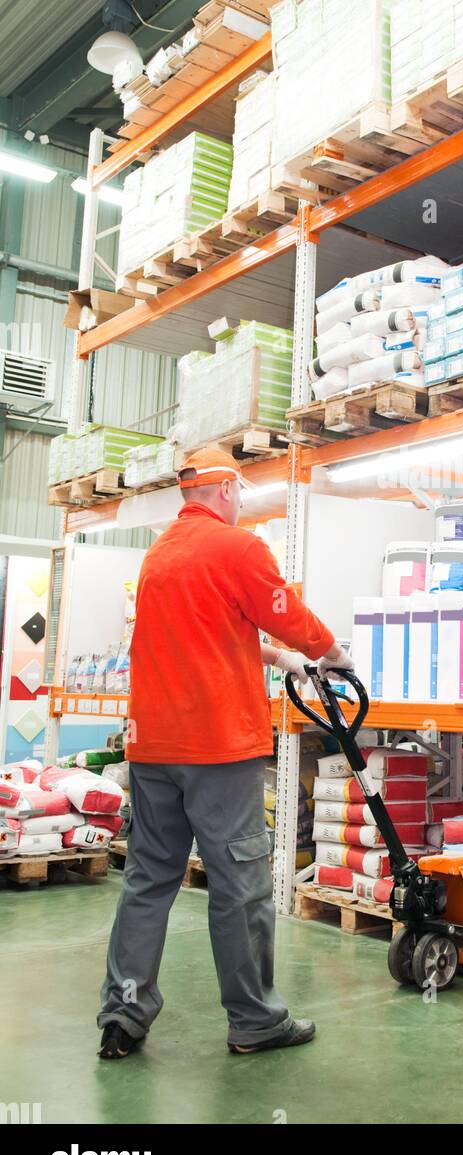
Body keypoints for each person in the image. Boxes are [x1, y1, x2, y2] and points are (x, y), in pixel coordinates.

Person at [97, 447, 351, 1059]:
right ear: (227, 492)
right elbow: (283, 611)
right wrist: (329, 652)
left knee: (148, 880)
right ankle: (256, 1020)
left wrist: (274, 658)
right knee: (239, 882)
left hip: (154, 747)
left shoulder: (160, 555)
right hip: (216, 748)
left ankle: (123, 1013)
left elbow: (204, 630)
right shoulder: (238, 549)